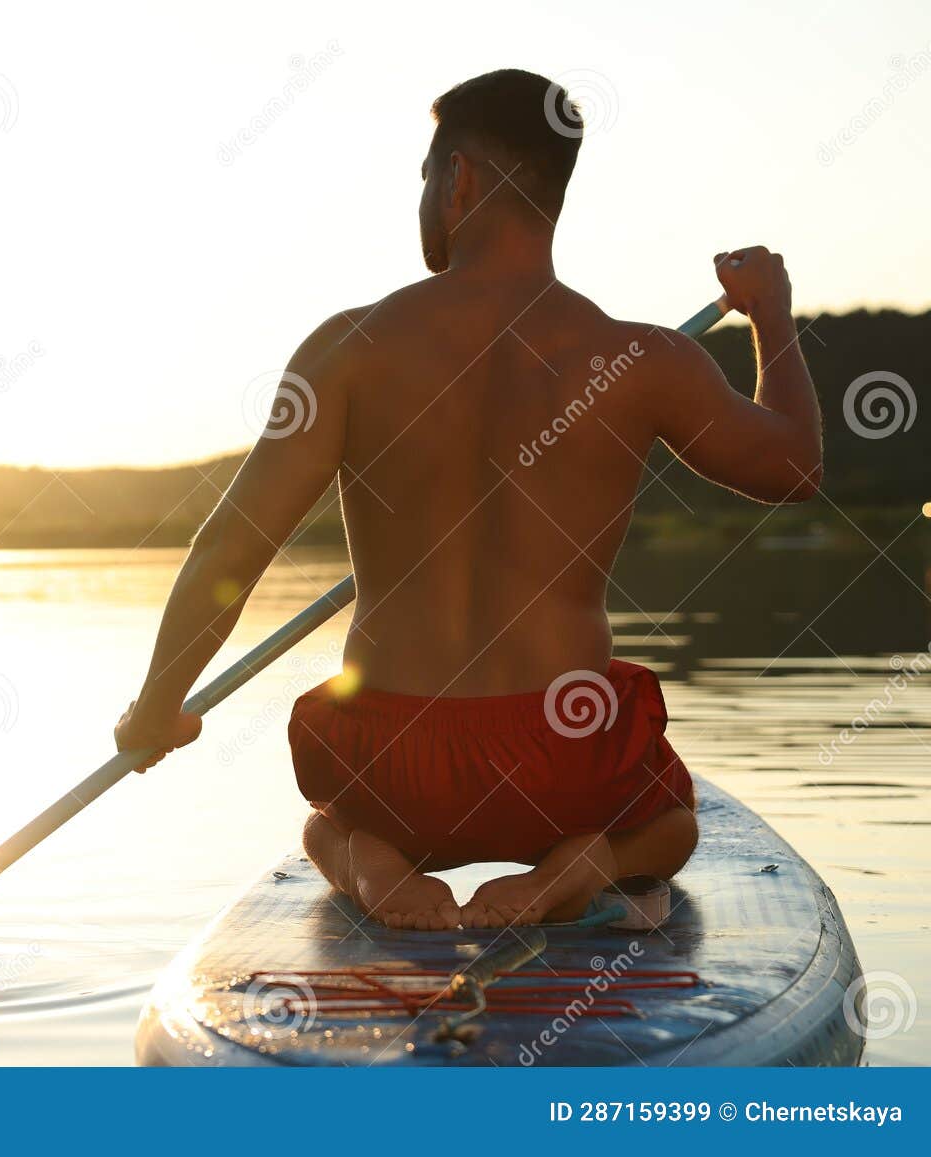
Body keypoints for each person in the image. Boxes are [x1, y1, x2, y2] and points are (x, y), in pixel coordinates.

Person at [112, 68, 822, 930]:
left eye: (425, 175)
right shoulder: (638, 359)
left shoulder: (348, 349)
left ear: (461, 182)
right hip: (563, 753)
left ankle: (374, 869)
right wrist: (773, 316)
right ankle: (586, 862)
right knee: (672, 824)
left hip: (395, 763)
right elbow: (794, 468)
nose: (422, 196)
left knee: (322, 826)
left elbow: (230, 547)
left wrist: (156, 706)